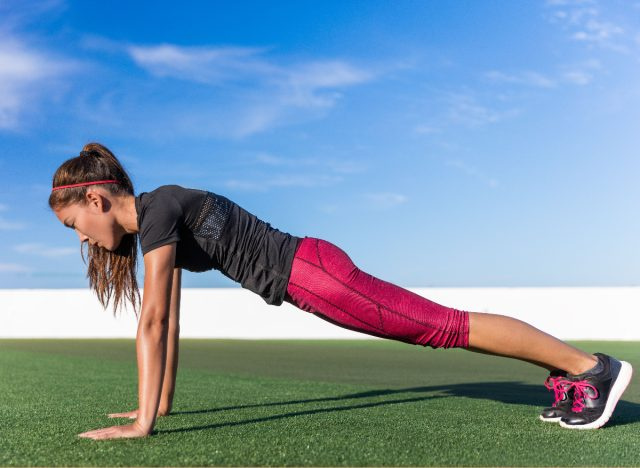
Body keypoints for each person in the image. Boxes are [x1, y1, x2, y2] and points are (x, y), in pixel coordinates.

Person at [49, 143, 632, 440]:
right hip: (313, 273)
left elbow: (151, 322)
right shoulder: (161, 213)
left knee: (444, 326)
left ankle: (590, 367)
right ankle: (578, 370)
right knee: (442, 327)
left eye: (77, 226)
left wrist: (142, 426)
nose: (87, 240)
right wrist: (160, 406)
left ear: (96, 201)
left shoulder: (157, 213)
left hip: (315, 275)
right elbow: (168, 319)